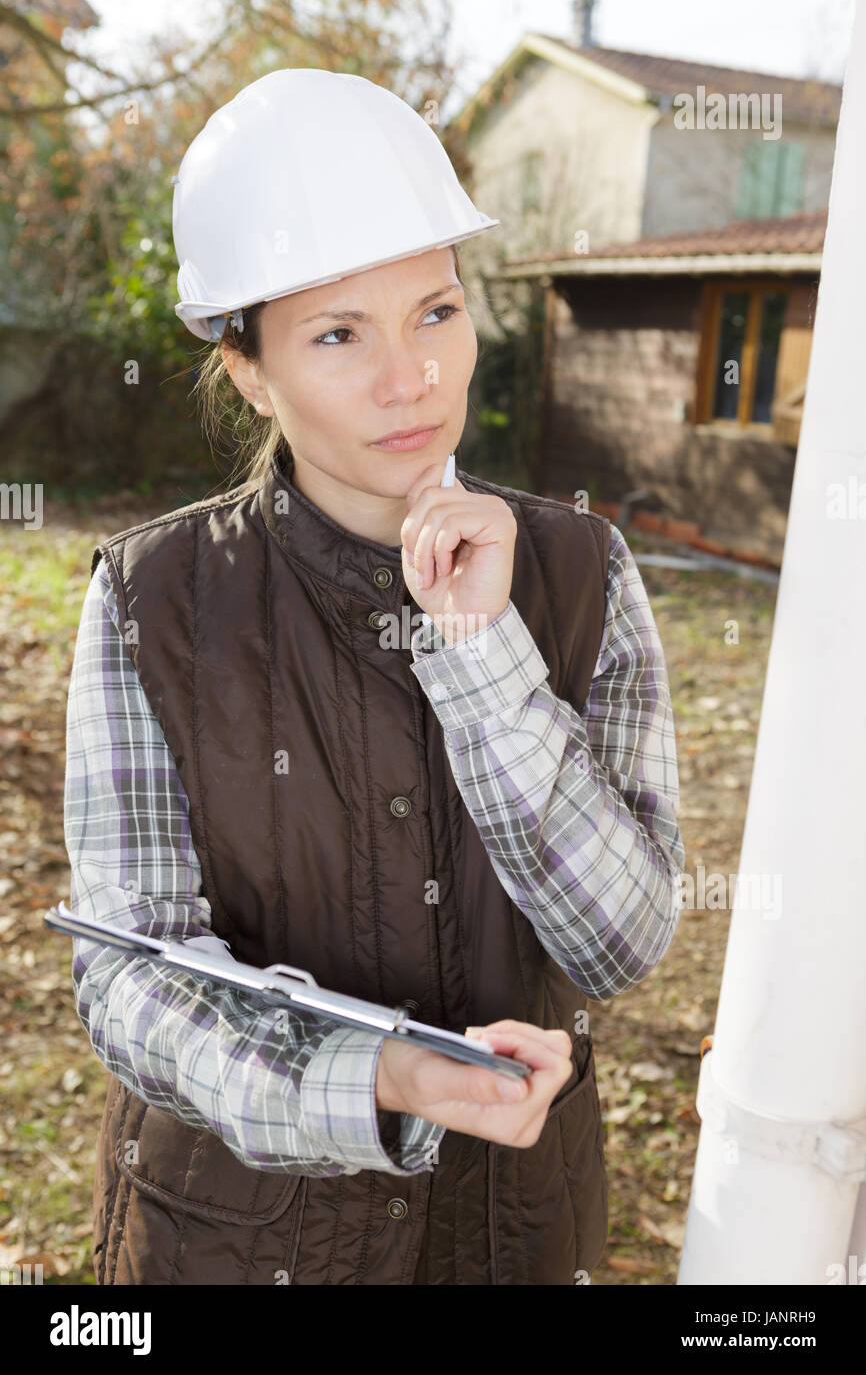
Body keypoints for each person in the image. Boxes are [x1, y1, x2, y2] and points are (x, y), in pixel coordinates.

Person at [63, 68, 685, 1286]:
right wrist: (374, 1082)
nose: (411, 379)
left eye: (435, 312)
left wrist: (481, 651)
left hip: (509, 1236)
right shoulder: (151, 600)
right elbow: (129, 975)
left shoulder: (581, 569)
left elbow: (620, 943)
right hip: (234, 1245)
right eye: (338, 333)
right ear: (247, 368)